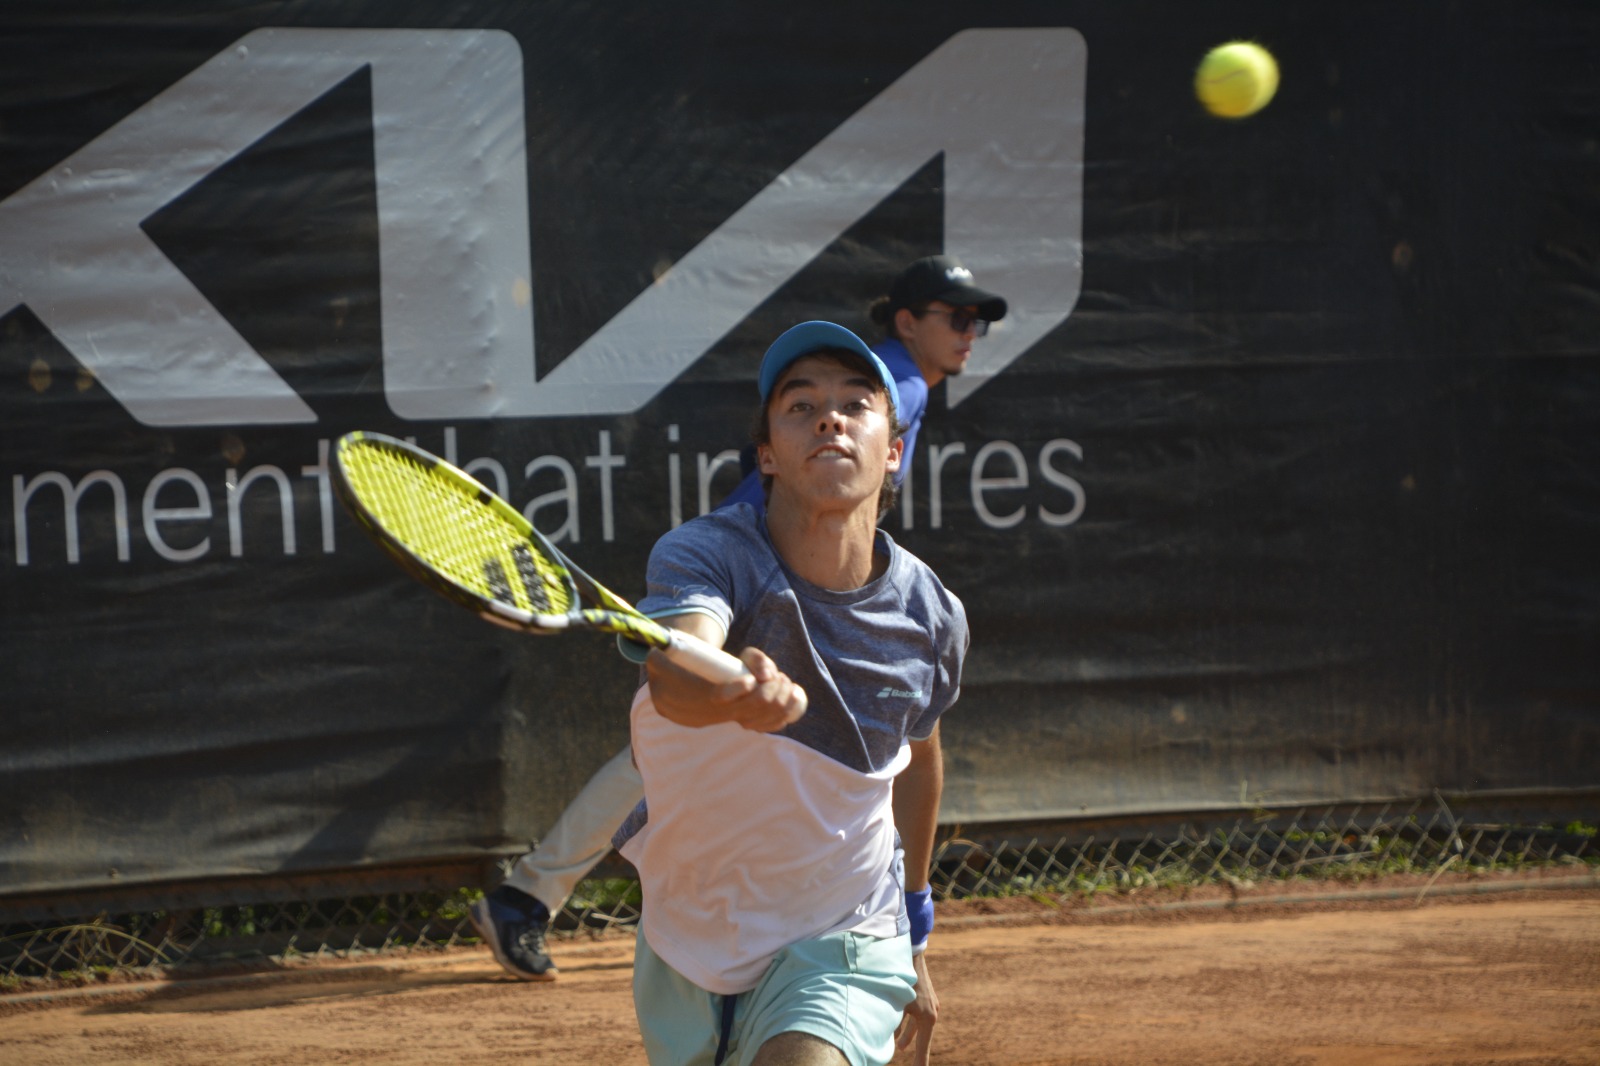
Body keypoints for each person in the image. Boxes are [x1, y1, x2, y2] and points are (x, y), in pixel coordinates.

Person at [469, 256, 1004, 983]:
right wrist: (736, 591)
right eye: (958, 317)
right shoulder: (894, 385)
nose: (972, 333)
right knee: (661, 747)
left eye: (980, 321)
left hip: (773, 579)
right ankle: (531, 895)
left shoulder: (900, 393)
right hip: (760, 584)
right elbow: (801, 492)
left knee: (655, 759)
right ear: (909, 323)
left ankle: (529, 894)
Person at [618, 320, 967, 1065]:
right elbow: (677, 672)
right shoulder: (710, 554)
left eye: (855, 404)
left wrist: (914, 927)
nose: (829, 418)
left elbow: (918, 758)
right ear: (769, 457)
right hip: (692, 931)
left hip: (843, 928)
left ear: (894, 451)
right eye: (801, 406)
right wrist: (730, 699)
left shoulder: (931, 615)